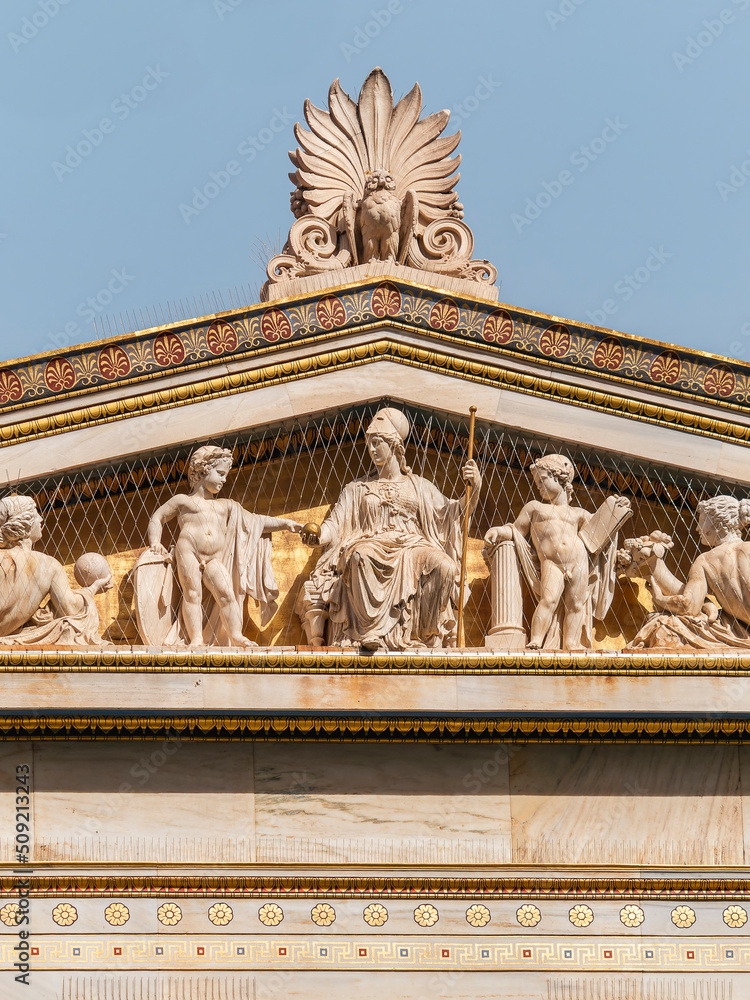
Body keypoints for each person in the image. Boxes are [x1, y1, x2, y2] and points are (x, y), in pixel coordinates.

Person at [299, 407, 481, 651]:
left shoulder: (420, 486)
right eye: (370, 444)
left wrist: (475, 487)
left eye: (377, 443)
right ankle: (369, 631)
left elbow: (455, 515)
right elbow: (335, 524)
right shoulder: (356, 489)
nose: (372, 449)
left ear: (395, 445)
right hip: (371, 544)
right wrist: (318, 535)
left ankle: (423, 635)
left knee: (445, 566)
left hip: (414, 547)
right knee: (360, 556)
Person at [145, 445, 302, 647]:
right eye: (220, 473)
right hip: (188, 550)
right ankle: (196, 639)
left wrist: (285, 524)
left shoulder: (226, 506)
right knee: (192, 593)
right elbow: (157, 517)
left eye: (225, 475)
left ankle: (235, 635)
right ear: (202, 471)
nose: (224, 479)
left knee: (227, 593)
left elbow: (255, 521)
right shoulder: (184, 501)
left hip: (215, 557)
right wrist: (155, 543)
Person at [484, 454, 625, 650]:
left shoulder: (578, 513)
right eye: (537, 483)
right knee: (548, 600)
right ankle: (536, 639)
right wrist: (499, 531)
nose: (539, 486)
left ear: (559, 478)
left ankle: (571, 643)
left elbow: (600, 530)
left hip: (579, 561)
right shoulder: (535, 508)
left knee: (576, 605)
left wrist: (616, 508)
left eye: (542, 481)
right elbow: (516, 530)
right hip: (551, 563)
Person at [627, 495, 750, 649]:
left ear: (717, 522)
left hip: (738, 634)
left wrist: (659, 598)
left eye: (703, 520)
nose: (698, 528)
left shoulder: (705, 561)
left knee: (664, 625)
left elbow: (689, 607)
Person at [0, 495, 112, 645]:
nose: (40, 519)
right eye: (35, 514)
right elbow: (71, 609)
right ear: (24, 524)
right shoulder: (48, 565)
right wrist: (92, 589)